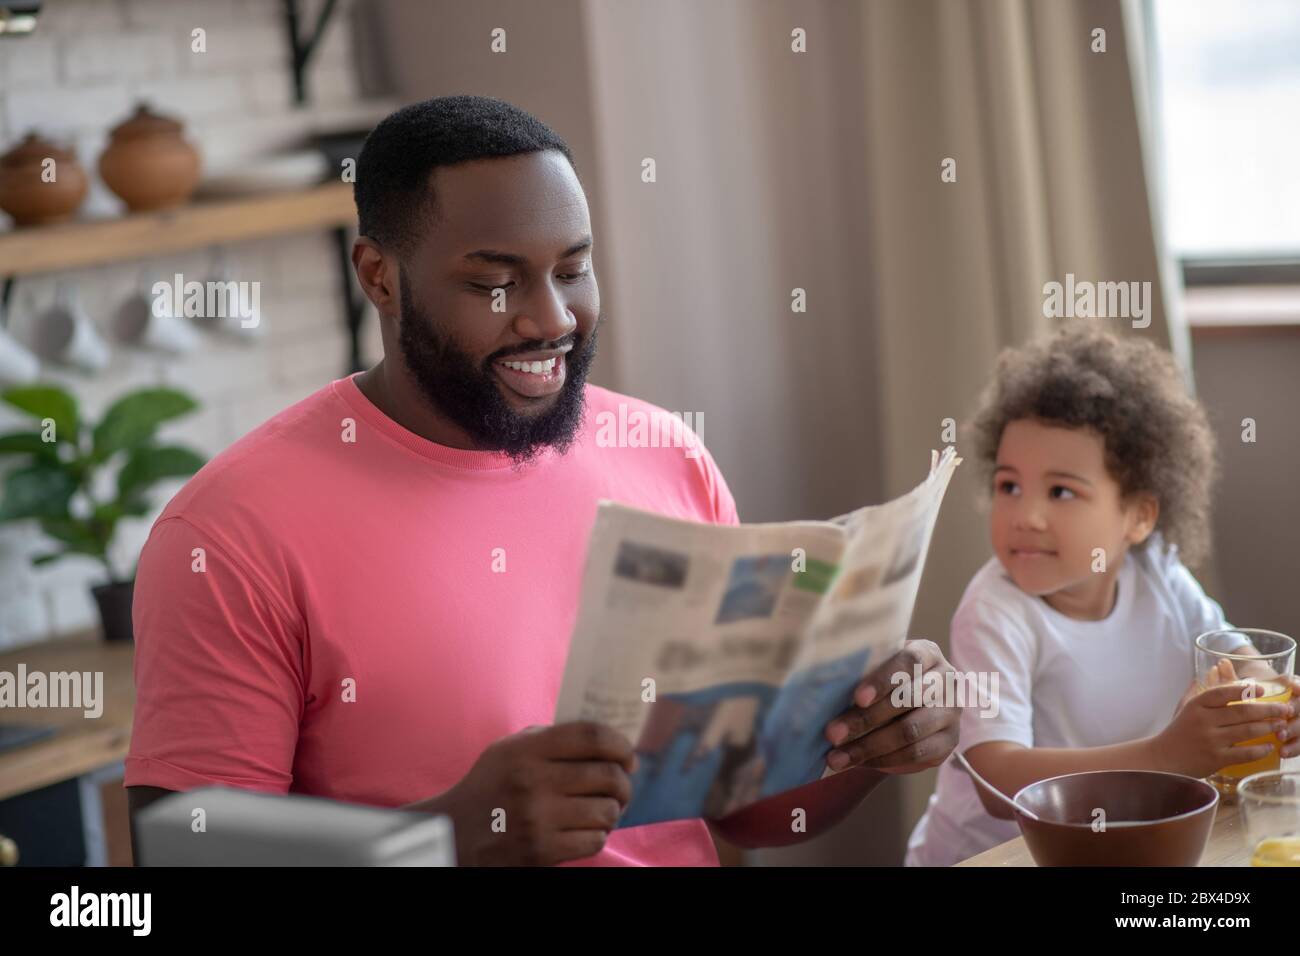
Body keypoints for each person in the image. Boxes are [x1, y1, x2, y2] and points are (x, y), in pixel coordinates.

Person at [126, 94, 961, 866]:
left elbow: (747, 812)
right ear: (380, 276)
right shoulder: (230, 533)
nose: (552, 319)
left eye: (571, 269)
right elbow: (192, 857)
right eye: (495, 282)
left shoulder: (663, 453)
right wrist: (451, 836)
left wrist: (872, 744)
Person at [905, 322, 1300, 867]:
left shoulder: (1158, 571)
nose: (1026, 516)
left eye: (1061, 490)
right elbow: (997, 781)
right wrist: (1168, 755)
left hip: (1107, 846)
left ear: (1138, 516)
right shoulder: (994, 609)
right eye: (1008, 485)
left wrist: (1277, 707)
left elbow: (1241, 662)